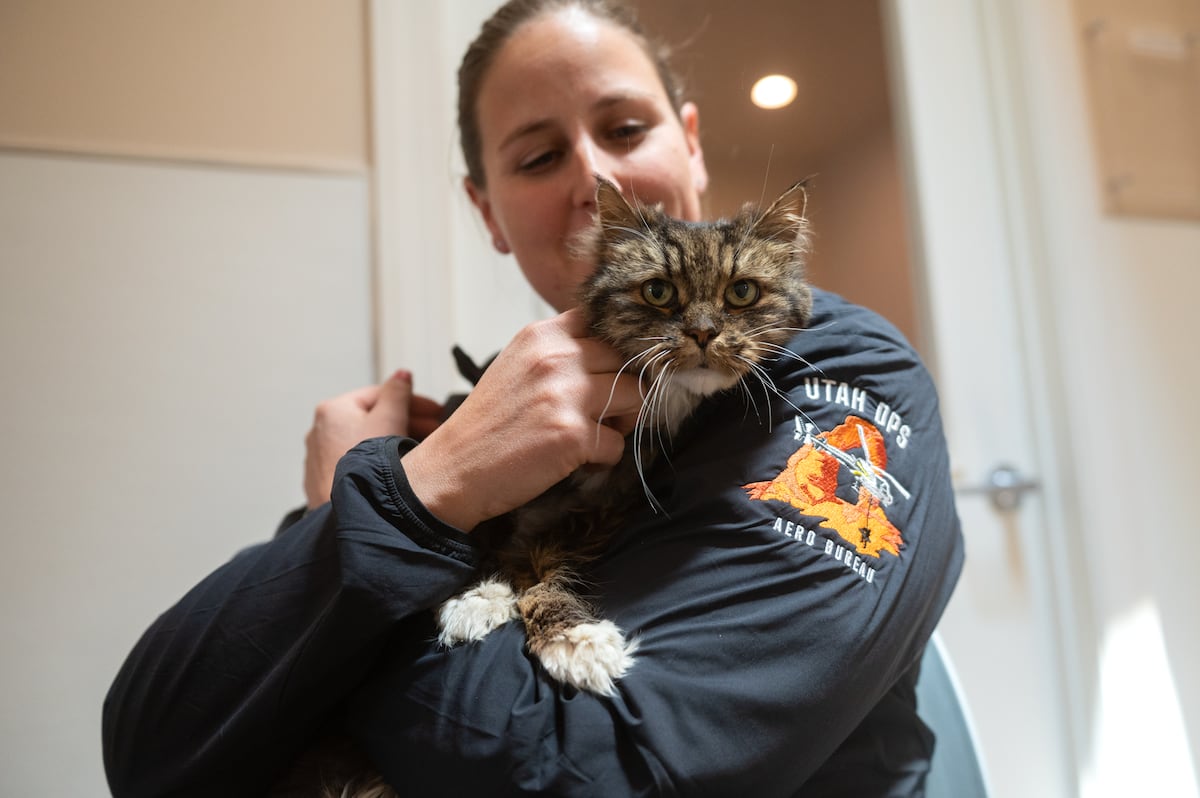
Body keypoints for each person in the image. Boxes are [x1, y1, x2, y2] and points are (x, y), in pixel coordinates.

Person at [102, 1, 964, 795]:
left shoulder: (839, 383)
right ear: (487, 209)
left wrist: (360, 533)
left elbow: (591, 774)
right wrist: (406, 497)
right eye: (539, 156)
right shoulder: (463, 437)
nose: (593, 176)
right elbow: (153, 750)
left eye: (626, 127)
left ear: (690, 142)